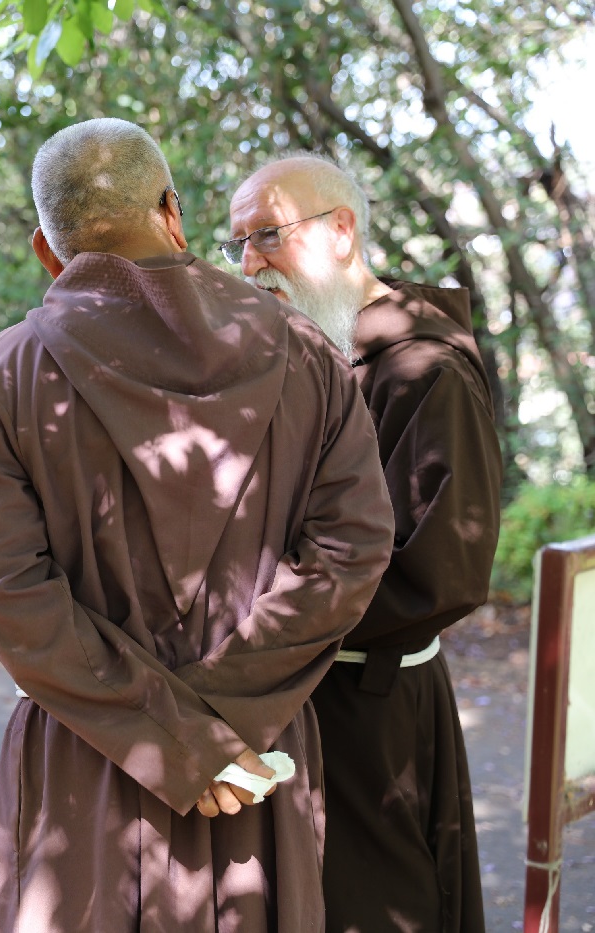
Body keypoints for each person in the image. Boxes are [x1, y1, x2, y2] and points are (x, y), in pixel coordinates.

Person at [0, 117, 396, 932]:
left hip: (90, 751)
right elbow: (354, 547)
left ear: (48, 251)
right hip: (252, 755)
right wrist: (215, 732)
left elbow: (8, 590)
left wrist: (173, 734)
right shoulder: (307, 353)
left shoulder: (10, 372)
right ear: (173, 209)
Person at [227, 154, 501, 933]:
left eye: (269, 235)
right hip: (301, 691)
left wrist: (276, 625)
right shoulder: (309, 354)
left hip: (372, 706)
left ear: (341, 231)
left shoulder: (428, 371)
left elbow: (444, 566)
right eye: (240, 243)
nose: (252, 263)